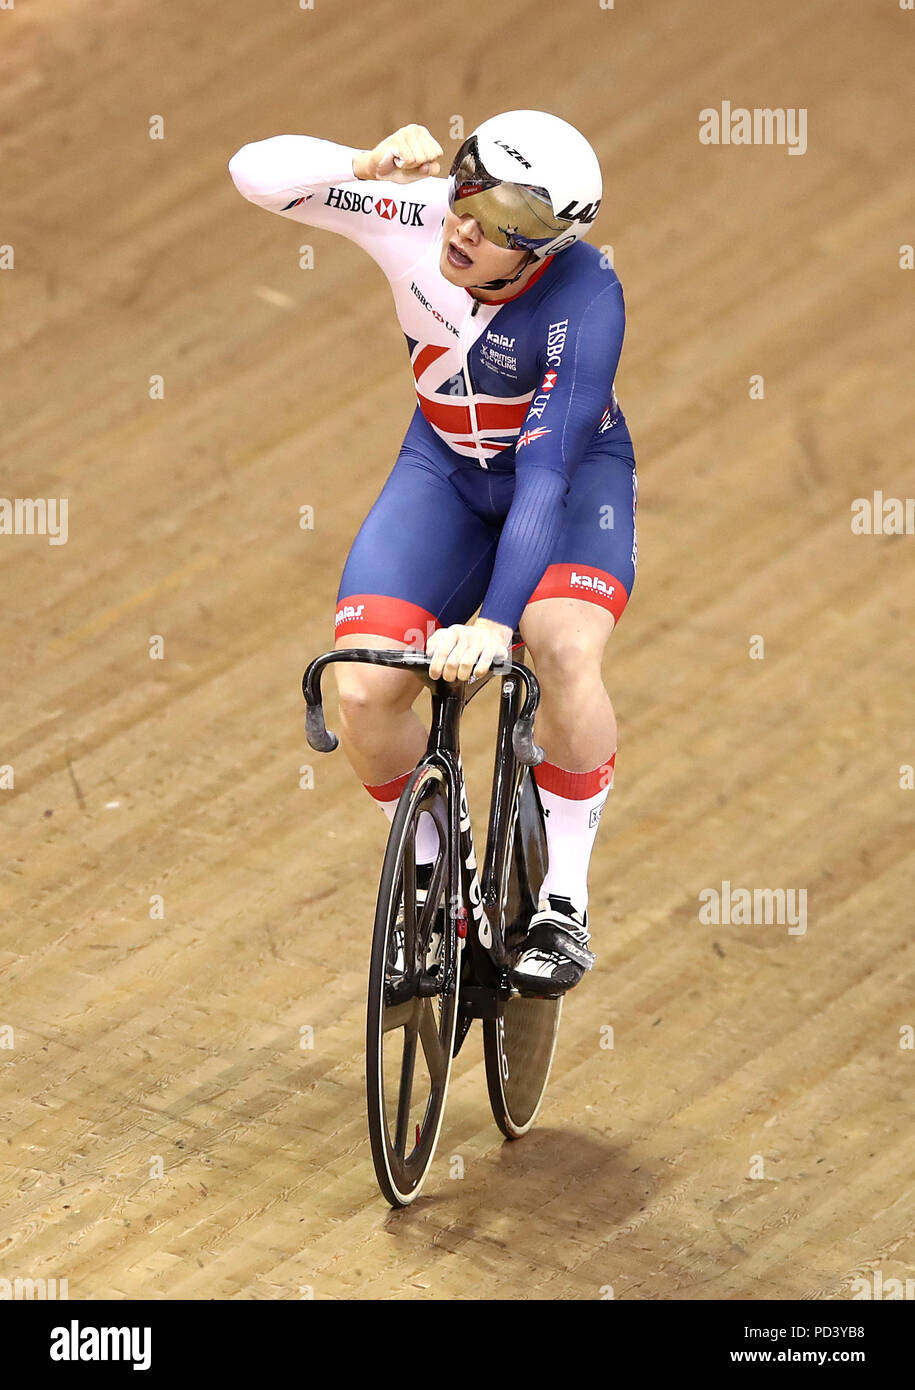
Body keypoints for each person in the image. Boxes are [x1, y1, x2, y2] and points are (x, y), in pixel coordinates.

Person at [228, 110, 638, 995]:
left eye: (504, 226)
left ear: (543, 249)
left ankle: (563, 900)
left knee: (560, 646)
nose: (467, 227)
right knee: (364, 689)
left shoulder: (584, 297)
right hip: (443, 473)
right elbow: (253, 168)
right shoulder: (413, 212)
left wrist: (494, 625)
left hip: (564, 487)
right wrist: (360, 159)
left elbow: (542, 478)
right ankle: (436, 875)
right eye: (467, 193)